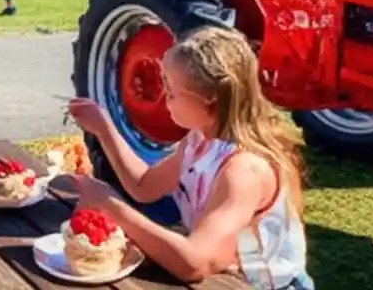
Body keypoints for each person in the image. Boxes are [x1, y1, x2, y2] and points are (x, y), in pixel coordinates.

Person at [67, 27, 310, 288]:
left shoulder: (243, 170)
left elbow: (194, 263)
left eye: (171, 92)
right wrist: (103, 128)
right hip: (224, 277)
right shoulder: (198, 141)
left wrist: (112, 207)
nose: (163, 99)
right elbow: (143, 186)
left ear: (210, 99)